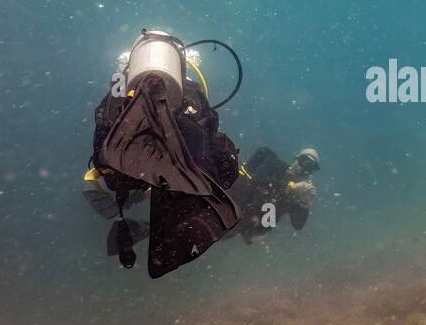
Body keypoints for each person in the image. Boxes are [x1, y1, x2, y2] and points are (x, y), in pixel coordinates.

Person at [85, 30, 242, 277]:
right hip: (181, 174)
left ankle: (152, 194)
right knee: (207, 173)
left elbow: (103, 146)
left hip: (128, 169)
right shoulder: (190, 90)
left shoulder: (119, 92)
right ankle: (170, 205)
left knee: (122, 179)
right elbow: (211, 132)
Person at [227, 146, 320, 243]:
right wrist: (290, 187)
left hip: (241, 226)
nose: (303, 169)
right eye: (303, 161)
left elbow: (298, 225)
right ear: (296, 159)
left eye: (310, 168)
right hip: (230, 205)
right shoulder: (277, 165)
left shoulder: (298, 194)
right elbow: (257, 178)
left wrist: (304, 202)